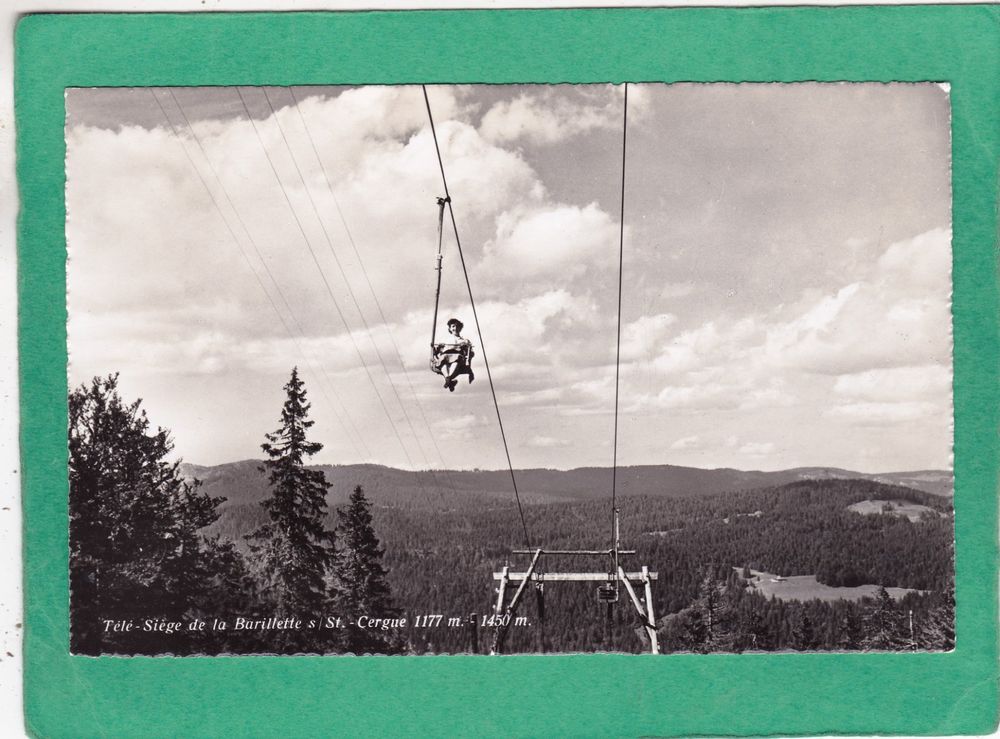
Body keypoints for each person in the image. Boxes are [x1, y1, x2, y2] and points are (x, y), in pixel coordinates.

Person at [432, 318, 475, 391]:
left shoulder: (464, 340)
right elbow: (438, 350)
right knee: (442, 360)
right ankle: (449, 380)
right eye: (453, 326)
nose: (455, 328)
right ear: (450, 329)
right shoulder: (445, 339)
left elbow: (470, 352)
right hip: (446, 355)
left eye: (457, 326)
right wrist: (436, 348)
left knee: (457, 359)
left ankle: (448, 380)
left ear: (460, 328)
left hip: (456, 355)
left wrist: (467, 347)